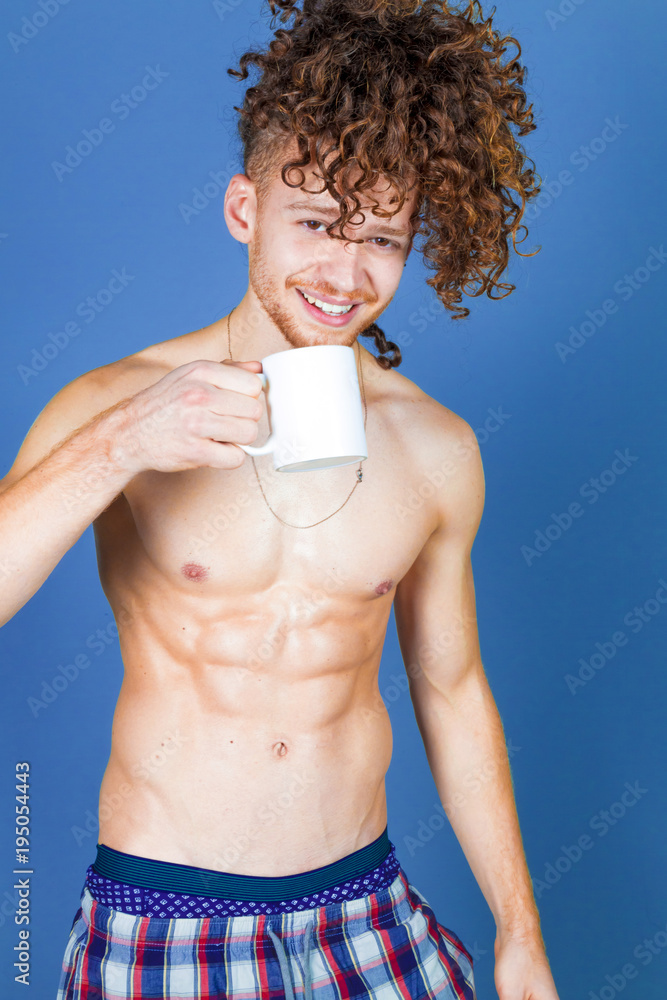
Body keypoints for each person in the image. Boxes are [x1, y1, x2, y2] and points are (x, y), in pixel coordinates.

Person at [0, 0, 559, 996]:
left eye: (382, 240)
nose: (347, 275)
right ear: (243, 210)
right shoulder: (111, 406)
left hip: (366, 909)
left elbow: (451, 688)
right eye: (315, 225)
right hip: (166, 913)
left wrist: (520, 931)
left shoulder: (435, 448)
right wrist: (123, 442)